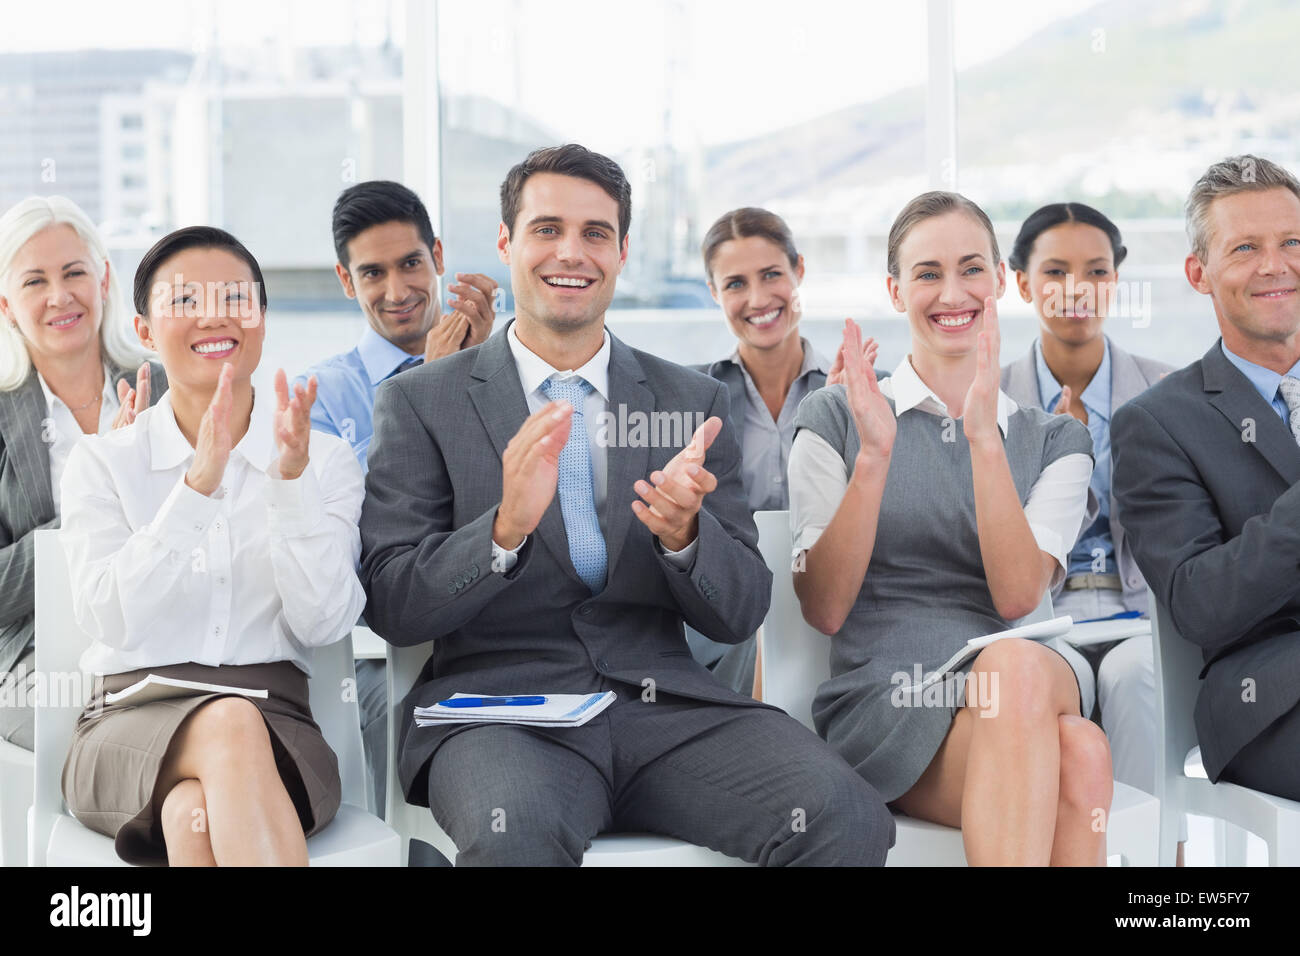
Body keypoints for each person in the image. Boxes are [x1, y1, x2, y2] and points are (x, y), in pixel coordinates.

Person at [360, 144, 895, 866]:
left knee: (844, 816)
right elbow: (391, 602)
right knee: (514, 836)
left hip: (665, 712)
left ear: (621, 252)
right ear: (506, 243)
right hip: (502, 721)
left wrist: (684, 539)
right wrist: (502, 532)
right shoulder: (423, 401)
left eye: (595, 233)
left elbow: (739, 611)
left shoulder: (691, 402)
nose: (570, 252)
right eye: (546, 229)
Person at [790, 190, 1114, 865]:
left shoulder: (1056, 439)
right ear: (895, 288)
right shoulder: (835, 418)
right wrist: (874, 457)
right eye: (927, 273)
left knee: (1015, 662)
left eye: (971, 268)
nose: (952, 292)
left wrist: (984, 442)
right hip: (890, 699)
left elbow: (1018, 599)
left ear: (999, 279)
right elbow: (823, 609)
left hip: (1025, 676)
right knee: (1081, 753)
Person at [59, 226, 366, 865]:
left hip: (278, 726)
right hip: (126, 725)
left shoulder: (323, 461)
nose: (213, 316)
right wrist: (196, 490)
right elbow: (107, 616)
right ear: (143, 330)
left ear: (261, 316)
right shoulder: (104, 461)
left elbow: (326, 620)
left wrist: (289, 486)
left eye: (234, 297)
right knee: (225, 728)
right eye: (184, 301)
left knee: (189, 815)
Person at [295, 180, 499, 819]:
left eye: (411, 263)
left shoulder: (508, 358)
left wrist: (490, 369)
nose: (397, 290)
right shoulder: (320, 395)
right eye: (372, 272)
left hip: (508, 625)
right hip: (382, 650)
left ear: (437, 255)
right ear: (345, 281)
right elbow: (362, 524)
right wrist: (437, 385)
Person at [1112, 155, 1300, 802]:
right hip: (1271, 699)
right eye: (1246, 248)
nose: (1277, 265)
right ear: (1201, 273)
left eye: (1293, 242)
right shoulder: (1159, 423)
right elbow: (1198, 603)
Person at [1000, 203, 1175, 833]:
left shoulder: (1167, 392)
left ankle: (1161, 874)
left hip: (1142, 620)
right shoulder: (984, 402)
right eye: (1055, 271)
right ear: (1022, 283)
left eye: (1096, 271)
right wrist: (1063, 469)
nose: (1077, 290)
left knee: (1138, 678)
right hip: (1037, 623)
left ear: (1115, 282)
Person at [689, 207, 883, 697]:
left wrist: (842, 423)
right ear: (714, 293)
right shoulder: (691, 397)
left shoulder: (866, 392)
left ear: (799, 270)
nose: (757, 298)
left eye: (772, 274)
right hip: (730, 613)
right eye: (735, 283)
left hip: (835, 599)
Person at [0, 195, 166, 751]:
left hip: (167, 638)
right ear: (5, 304)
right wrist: (93, 500)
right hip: (35, 658)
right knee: (135, 744)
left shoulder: (166, 388)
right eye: (34, 282)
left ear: (104, 279)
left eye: (74, 272)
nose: (59, 296)